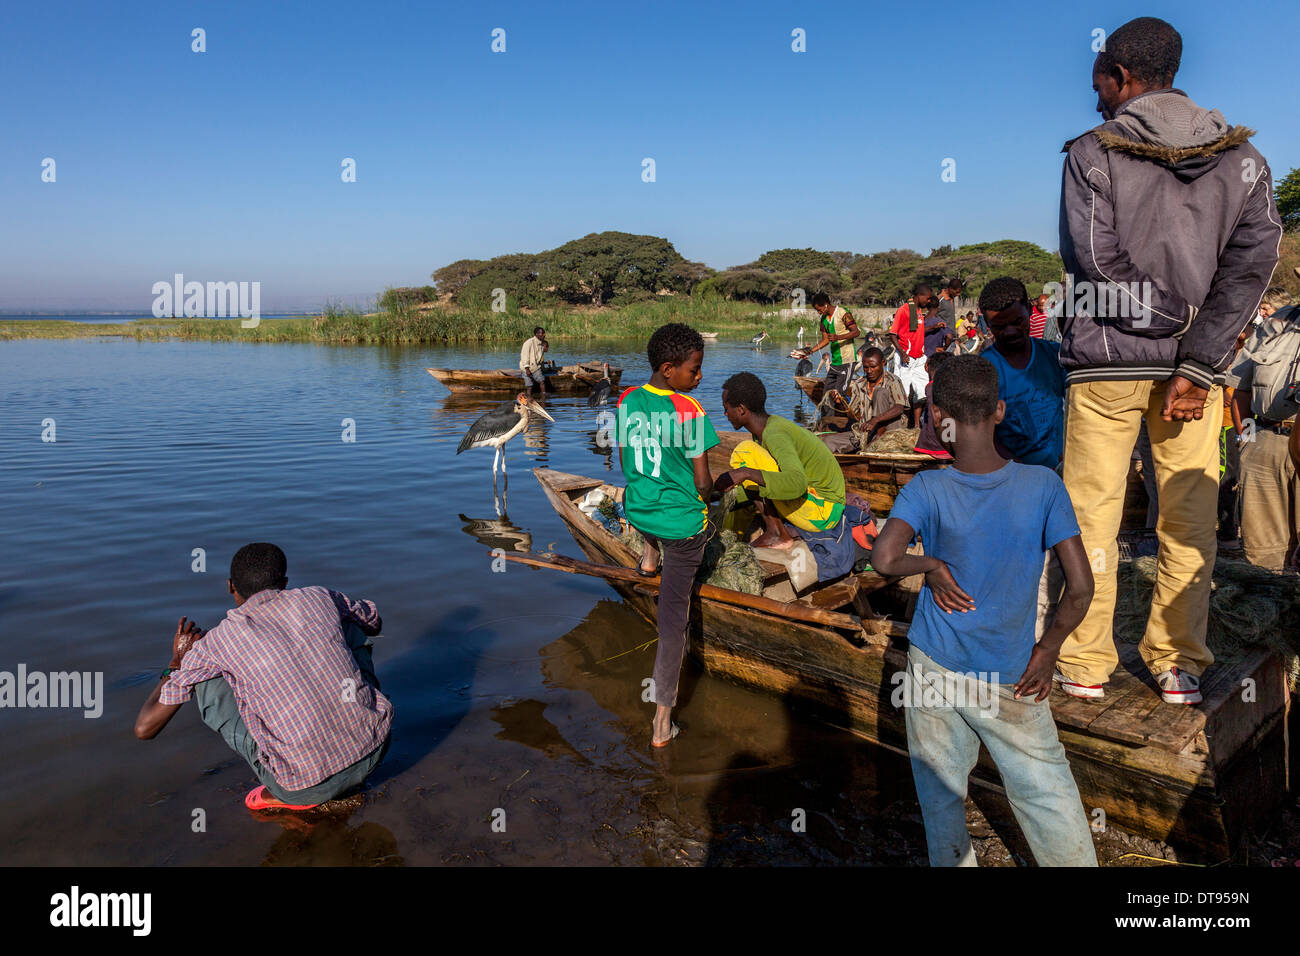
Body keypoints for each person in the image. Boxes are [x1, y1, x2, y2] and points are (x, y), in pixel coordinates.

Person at [1055, 16, 1282, 704]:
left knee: (1090, 517)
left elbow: (1094, 262)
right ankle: (1178, 663)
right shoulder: (1247, 161)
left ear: (1121, 77)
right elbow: (1252, 268)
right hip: (1197, 379)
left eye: (1099, 82)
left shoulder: (1092, 151)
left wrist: (1176, 326)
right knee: (1188, 519)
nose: (1096, 97)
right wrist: (1199, 355)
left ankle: (1085, 664)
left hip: (1108, 370)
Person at [871, 355, 1097, 867]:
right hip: (1013, 670)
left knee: (942, 797)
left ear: (934, 415)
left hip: (934, 666)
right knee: (1046, 794)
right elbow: (1081, 589)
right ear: (999, 410)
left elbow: (884, 560)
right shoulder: (1043, 485)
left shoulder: (925, 488)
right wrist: (1047, 650)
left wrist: (930, 563)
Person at [134, 543, 393, 811]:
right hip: (376, 748)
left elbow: (145, 729)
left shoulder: (217, 642)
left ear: (230, 587)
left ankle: (280, 793)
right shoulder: (319, 596)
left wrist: (178, 661)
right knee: (349, 624)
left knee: (203, 679)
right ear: (284, 582)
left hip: (302, 787)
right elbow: (374, 621)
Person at [615, 323, 718, 747]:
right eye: (695, 370)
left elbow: (627, 462)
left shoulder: (626, 400)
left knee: (646, 498)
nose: (699, 377)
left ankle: (648, 554)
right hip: (681, 528)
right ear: (668, 368)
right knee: (673, 624)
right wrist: (718, 488)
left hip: (640, 511)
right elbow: (703, 486)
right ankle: (662, 723)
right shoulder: (690, 411)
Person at [714, 372, 852, 579]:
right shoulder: (767, 428)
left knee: (745, 452)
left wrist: (743, 473)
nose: (725, 414)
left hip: (822, 511)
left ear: (741, 410)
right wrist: (720, 496)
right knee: (745, 481)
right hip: (818, 505)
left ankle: (776, 534)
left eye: (727, 409)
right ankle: (726, 540)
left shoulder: (775, 434)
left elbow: (796, 484)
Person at [1228, 294, 1300, 568]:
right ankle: (1272, 606)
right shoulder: (1277, 323)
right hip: (1265, 440)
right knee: (1263, 551)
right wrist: (1247, 441)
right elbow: (1240, 389)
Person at [980, 278, 1066, 470]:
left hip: (1060, 468)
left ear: (1028, 309)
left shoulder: (1054, 355)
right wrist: (1016, 470)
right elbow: (982, 432)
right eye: (1000, 327)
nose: (1010, 332)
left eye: (1017, 322)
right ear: (987, 323)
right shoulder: (983, 368)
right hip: (1011, 474)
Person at [800, 292, 860, 399]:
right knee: (826, 395)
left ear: (826, 304)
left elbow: (856, 332)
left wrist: (838, 337)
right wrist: (809, 351)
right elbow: (825, 340)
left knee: (838, 396)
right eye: (817, 310)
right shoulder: (823, 320)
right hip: (835, 362)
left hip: (847, 360)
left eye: (819, 309)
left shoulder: (843, 313)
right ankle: (827, 414)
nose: (819, 313)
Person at [891, 285, 937, 404]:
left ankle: (918, 422)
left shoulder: (919, 311)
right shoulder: (903, 310)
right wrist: (902, 353)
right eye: (928, 298)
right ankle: (901, 420)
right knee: (902, 393)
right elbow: (892, 334)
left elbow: (918, 330)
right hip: (906, 356)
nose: (929, 301)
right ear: (920, 296)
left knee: (923, 393)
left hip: (919, 357)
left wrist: (933, 327)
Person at [520, 327, 550, 395]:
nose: (543, 335)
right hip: (526, 368)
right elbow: (525, 356)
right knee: (529, 386)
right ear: (536, 334)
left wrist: (544, 364)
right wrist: (527, 369)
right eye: (541, 333)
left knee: (542, 381)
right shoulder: (529, 343)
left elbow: (538, 359)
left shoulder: (541, 344)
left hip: (535, 367)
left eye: (543, 333)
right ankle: (529, 398)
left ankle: (543, 396)